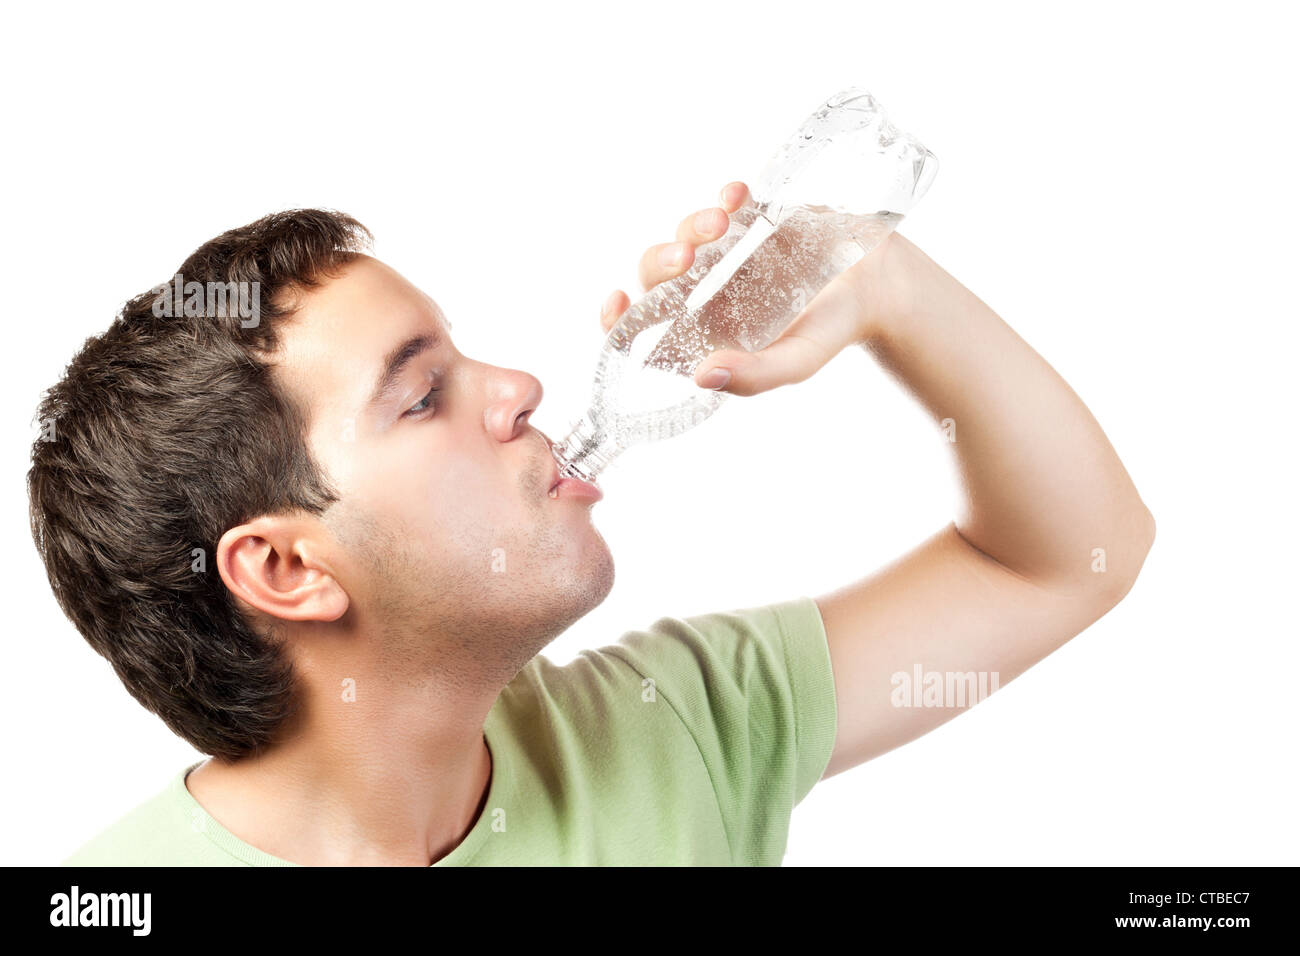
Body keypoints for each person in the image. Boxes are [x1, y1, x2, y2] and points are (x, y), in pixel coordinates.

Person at [32, 181, 1154, 866]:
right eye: (422, 395)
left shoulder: (680, 727)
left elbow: (1067, 558)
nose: (517, 384)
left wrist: (879, 282)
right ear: (282, 566)